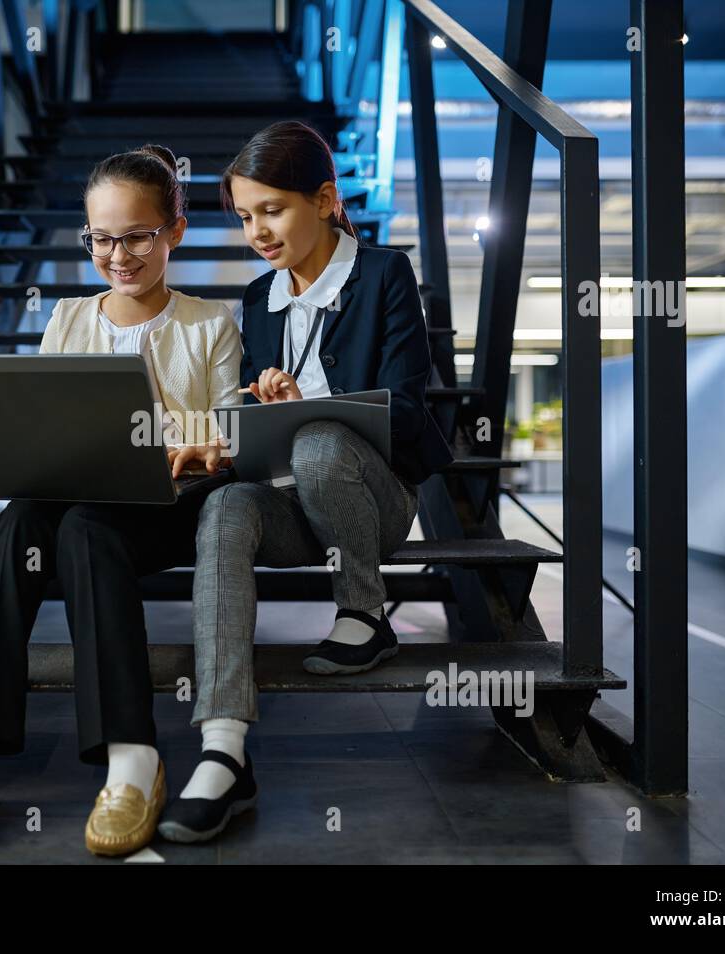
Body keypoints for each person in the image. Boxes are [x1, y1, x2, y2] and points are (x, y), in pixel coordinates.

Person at [0, 145, 241, 856]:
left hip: (168, 508)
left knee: (88, 529)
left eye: (136, 236)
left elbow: (227, 432)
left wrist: (184, 441)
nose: (117, 254)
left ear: (174, 232)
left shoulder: (209, 323)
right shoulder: (68, 317)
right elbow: (51, 417)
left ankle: (133, 761)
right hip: (78, 499)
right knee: (19, 522)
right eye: (101, 237)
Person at [157, 121, 453, 844]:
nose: (257, 230)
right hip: (289, 502)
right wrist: (245, 425)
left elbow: (407, 410)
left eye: (273, 210)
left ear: (324, 199)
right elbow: (249, 429)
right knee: (226, 507)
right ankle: (223, 748)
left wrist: (310, 412)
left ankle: (364, 612)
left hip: (372, 496)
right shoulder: (258, 299)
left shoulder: (384, 274)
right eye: (246, 215)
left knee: (321, 443)